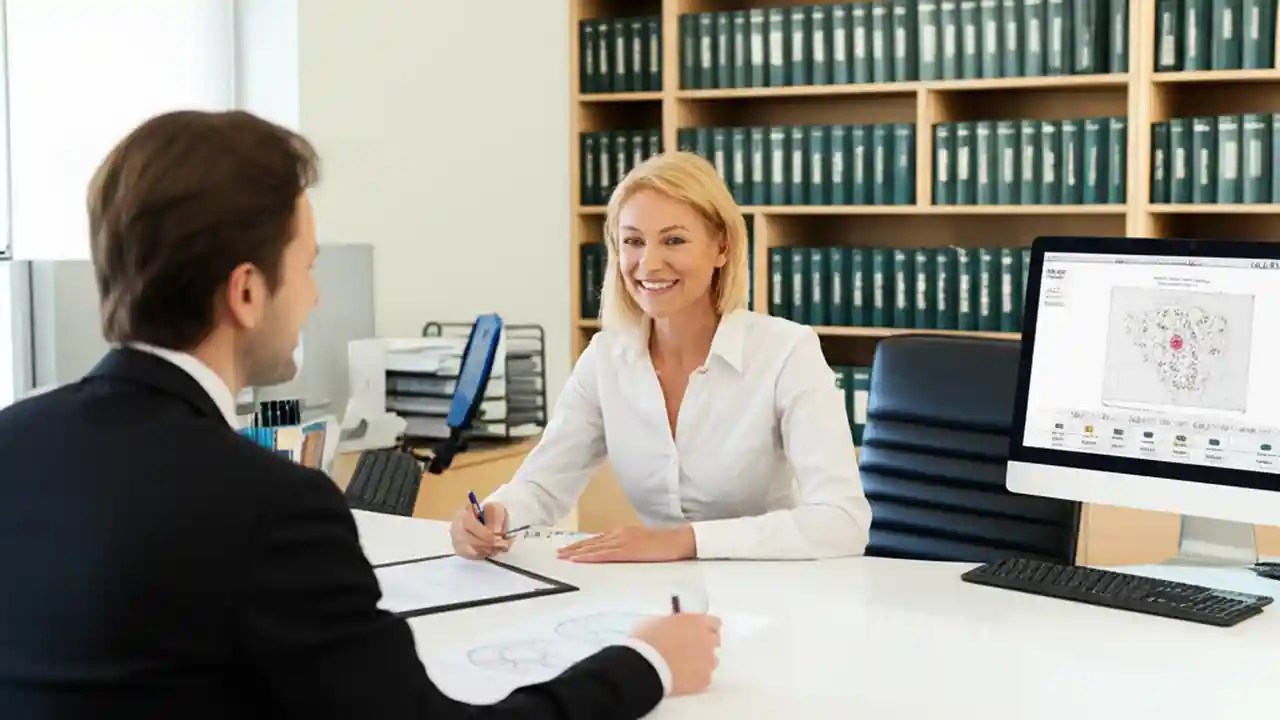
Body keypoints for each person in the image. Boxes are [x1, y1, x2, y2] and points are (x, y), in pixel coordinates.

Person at [0, 111, 720, 719]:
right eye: (308, 266)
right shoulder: (275, 509)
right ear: (247, 292)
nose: (315, 295)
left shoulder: (14, 444)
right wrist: (644, 664)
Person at [451, 151, 872, 564]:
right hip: (660, 590)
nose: (648, 264)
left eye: (674, 240)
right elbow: (542, 486)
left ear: (721, 247)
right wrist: (493, 515)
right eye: (633, 241)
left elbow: (842, 522)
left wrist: (685, 541)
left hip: (774, 590)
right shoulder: (605, 359)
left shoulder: (786, 352)